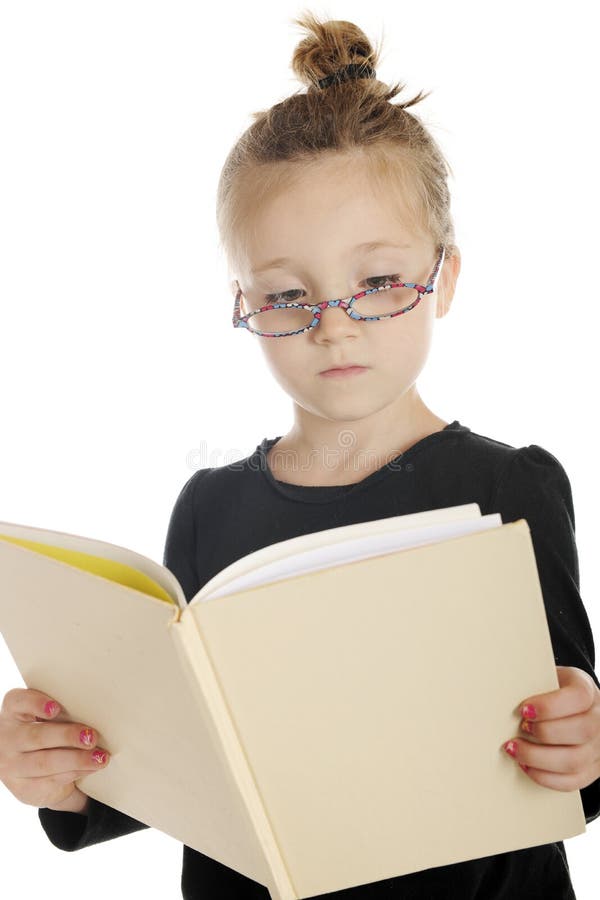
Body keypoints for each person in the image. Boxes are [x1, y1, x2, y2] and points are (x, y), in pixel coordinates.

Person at [1, 11, 599, 900]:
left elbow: (573, 756)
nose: (334, 325)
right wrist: (62, 770)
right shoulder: (209, 507)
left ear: (445, 278)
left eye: (378, 282)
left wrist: (583, 740)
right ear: (243, 302)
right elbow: (184, 762)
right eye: (288, 294)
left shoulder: (506, 486)